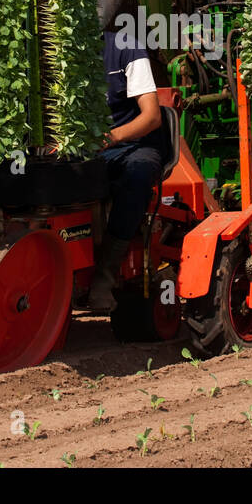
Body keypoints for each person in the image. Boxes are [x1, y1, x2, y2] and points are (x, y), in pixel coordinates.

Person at [87, 22, 165, 311]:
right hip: (89, 150)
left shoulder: (126, 48)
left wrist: (112, 137)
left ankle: (104, 277)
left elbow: (152, 117)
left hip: (133, 145)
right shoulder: (58, 54)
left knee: (138, 172)